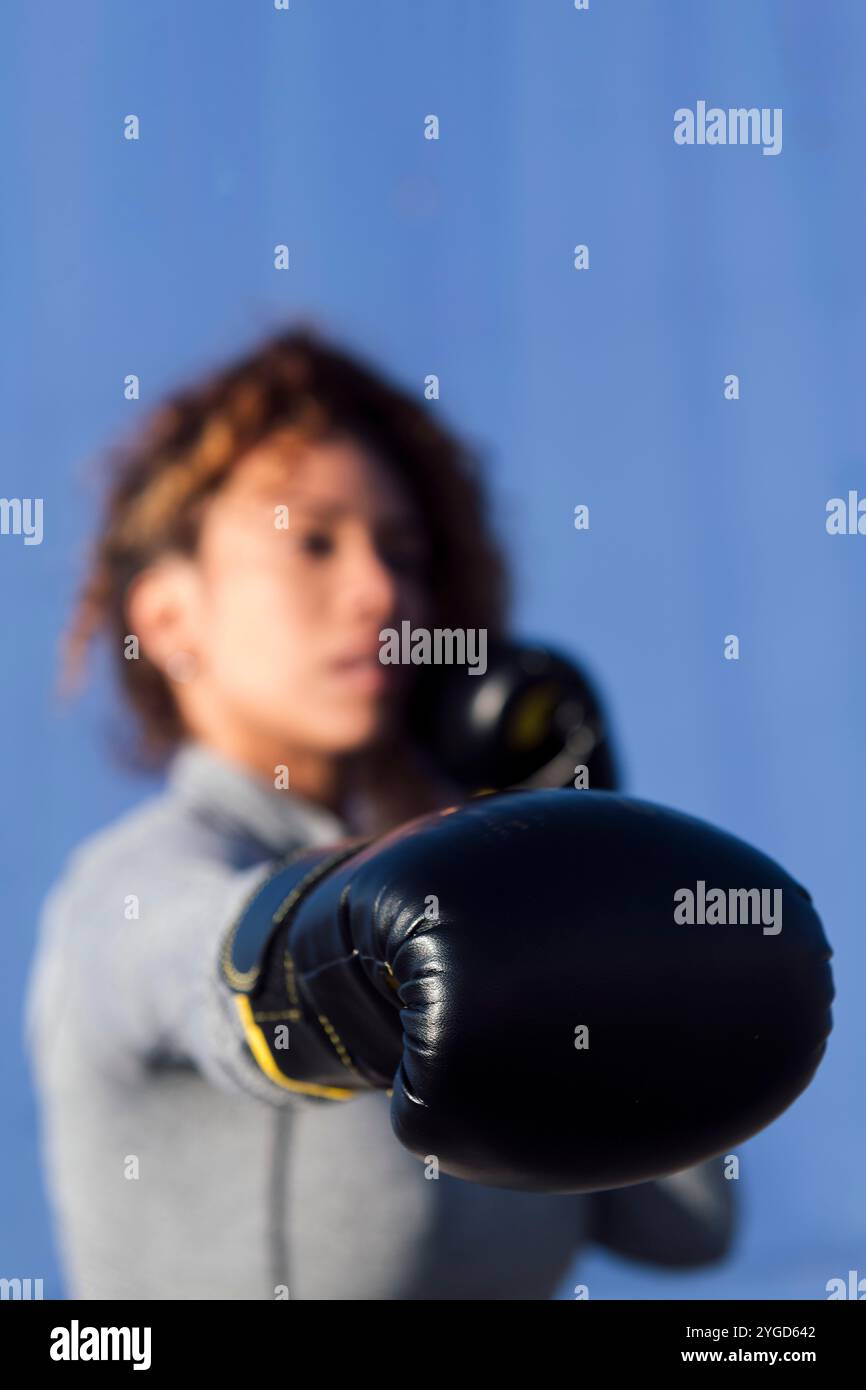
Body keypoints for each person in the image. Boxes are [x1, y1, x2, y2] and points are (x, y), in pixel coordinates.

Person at [26, 324, 736, 1300]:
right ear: (168, 620)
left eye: (401, 553)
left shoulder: (471, 897)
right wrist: (337, 947)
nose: (377, 590)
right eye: (310, 541)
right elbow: (207, 971)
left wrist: (586, 884)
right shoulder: (131, 889)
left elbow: (685, 1224)